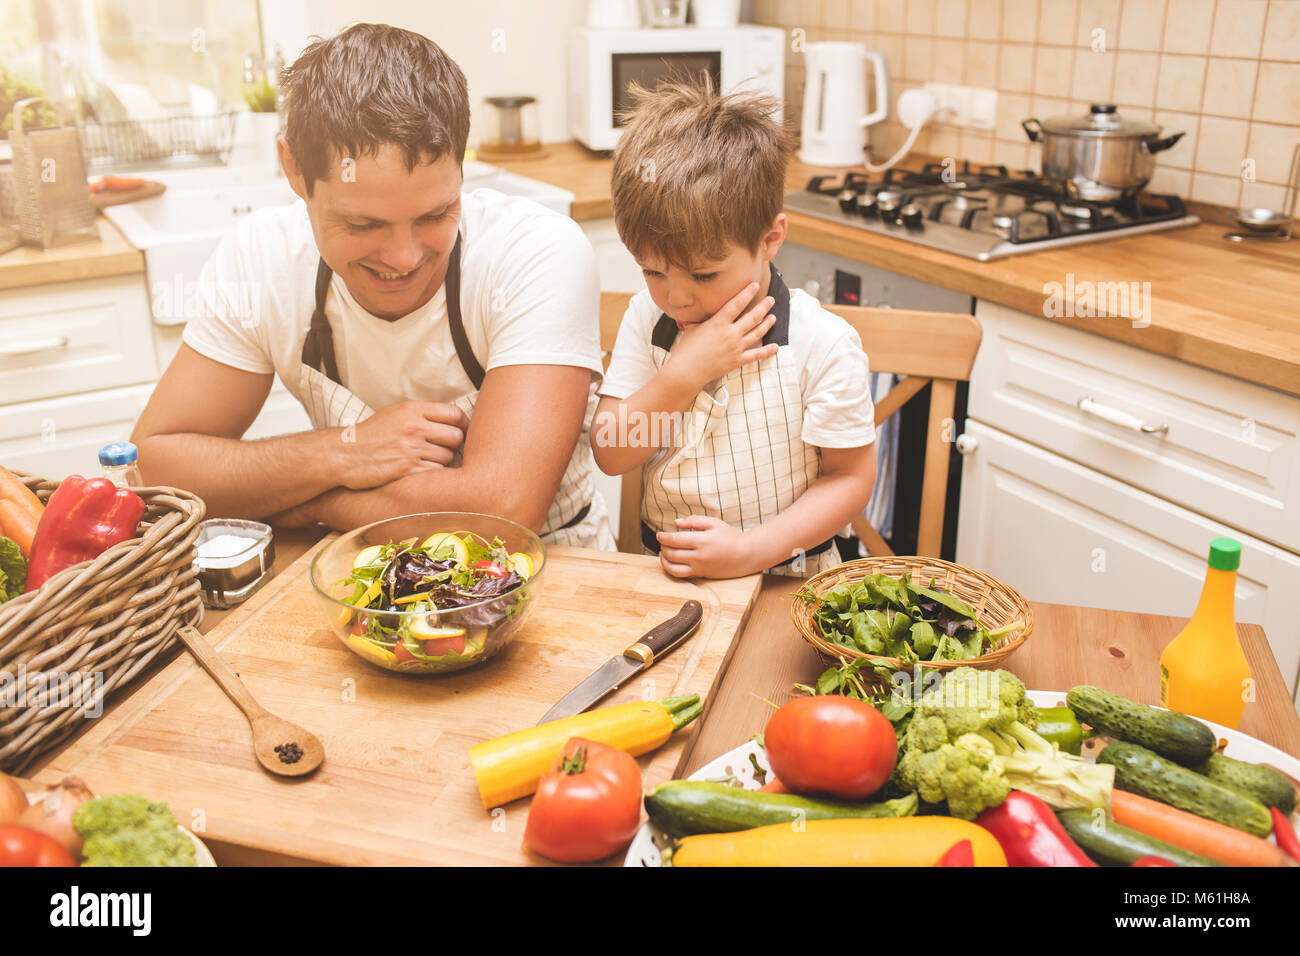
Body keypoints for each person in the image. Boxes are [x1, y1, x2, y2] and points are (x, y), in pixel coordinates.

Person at [131, 24, 615, 549]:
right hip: (352, 570)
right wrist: (341, 452)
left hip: (555, 569)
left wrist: (309, 500)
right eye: (363, 226)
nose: (404, 258)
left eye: (435, 214)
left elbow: (500, 515)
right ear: (294, 168)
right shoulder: (261, 258)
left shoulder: (536, 252)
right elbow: (155, 467)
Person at [592, 81, 878, 578]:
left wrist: (753, 550)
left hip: (789, 586)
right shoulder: (649, 317)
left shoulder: (821, 343)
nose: (676, 297)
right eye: (651, 271)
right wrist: (683, 374)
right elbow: (612, 453)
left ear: (770, 240)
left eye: (703, 275)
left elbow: (849, 479)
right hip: (665, 581)